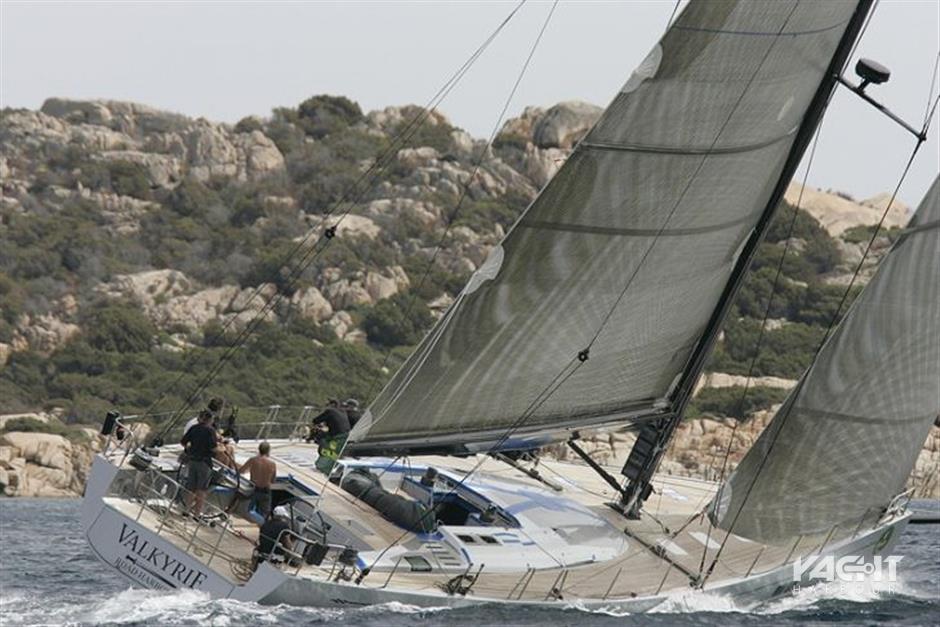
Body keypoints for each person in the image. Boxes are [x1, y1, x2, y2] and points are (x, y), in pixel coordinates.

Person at [180, 409, 218, 516]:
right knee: (201, 489)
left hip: (192, 461)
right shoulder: (210, 431)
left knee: (191, 487)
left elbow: (183, 442)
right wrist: (222, 449)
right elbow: (214, 448)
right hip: (204, 463)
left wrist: (191, 448)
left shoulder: (194, 428)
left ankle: (186, 510)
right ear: (210, 420)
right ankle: (197, 514)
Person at [308, 399, 350, 474]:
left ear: (332, 405)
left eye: (328, 404)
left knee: (322, 440)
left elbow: (315, 420)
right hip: (346, 435)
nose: (326, 406)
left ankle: (323, 466)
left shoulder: (330, 411)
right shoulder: (342, 411)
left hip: (337, 436)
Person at [238, 441, 277, 522]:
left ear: (259, 449)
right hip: (266, 491)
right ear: (268, 451)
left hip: (254, 489)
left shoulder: (253, 460)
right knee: (264, 514)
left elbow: (241, 471)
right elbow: (273, 480)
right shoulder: (272, 464)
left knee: (249, 512)